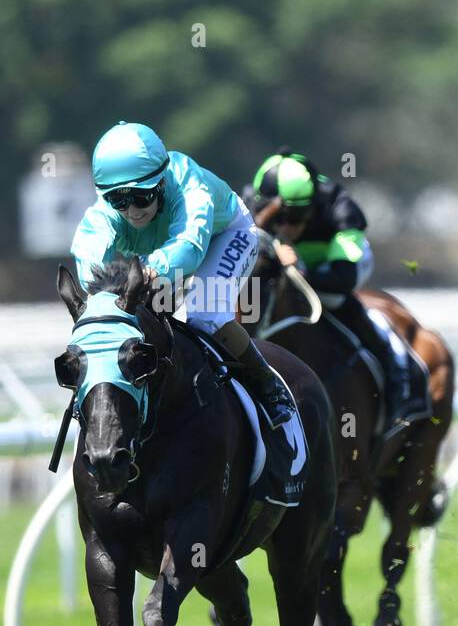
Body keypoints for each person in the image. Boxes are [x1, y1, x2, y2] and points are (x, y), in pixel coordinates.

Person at [72, 122, 295, 427]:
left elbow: (189, 247)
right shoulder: (106, 211)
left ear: (161, 183)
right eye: (118, 201)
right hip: (164, 254)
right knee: (132, 318)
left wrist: (152, 271)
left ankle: (268, 387)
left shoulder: (189, 184)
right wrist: (99, 292)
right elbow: (89, 252)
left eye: (141, 196)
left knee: (205, 314)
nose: (132, 210)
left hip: (225, 236)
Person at [247, 150, 423, 428]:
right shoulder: (251, 200)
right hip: (291, 264)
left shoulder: (341, 210)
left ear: (312, 206)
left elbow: (345, 278)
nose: (284, 227)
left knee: (335, 300)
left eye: (294, 217)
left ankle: (395, 373)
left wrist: (301, 271)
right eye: (278, 218)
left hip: (336, 267)